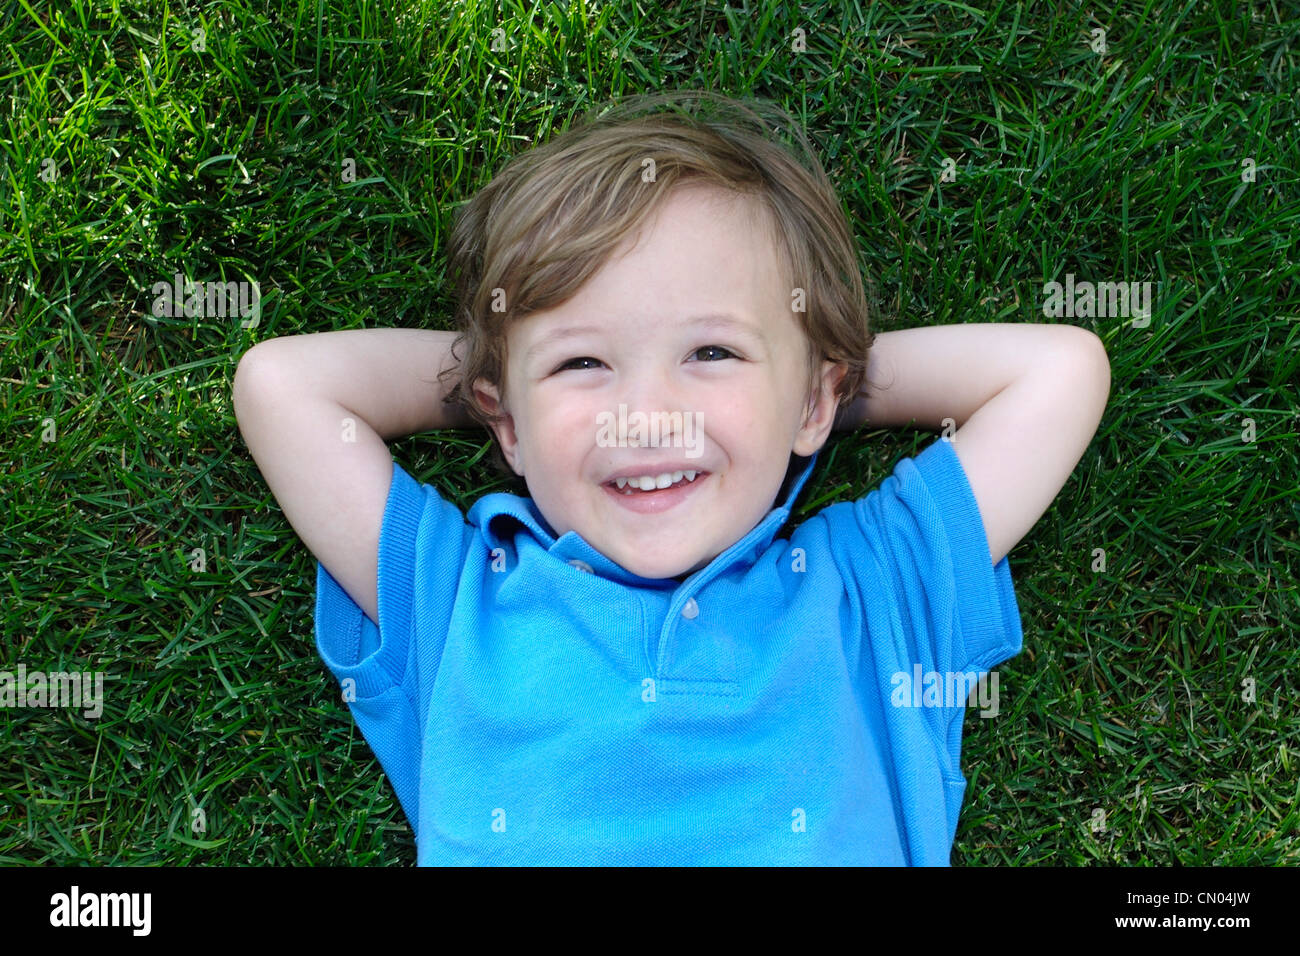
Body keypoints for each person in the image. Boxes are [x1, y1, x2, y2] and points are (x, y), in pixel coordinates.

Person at [232, 90, 1111, 864]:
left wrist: (808, 387)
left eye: (712, 351)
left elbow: (1058, 372)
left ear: (816, 402)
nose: (647, 413)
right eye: (584, 364)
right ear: (503, 422)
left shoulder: (874, 594)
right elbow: (285, 388)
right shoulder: (459, 601)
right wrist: (519, 400)